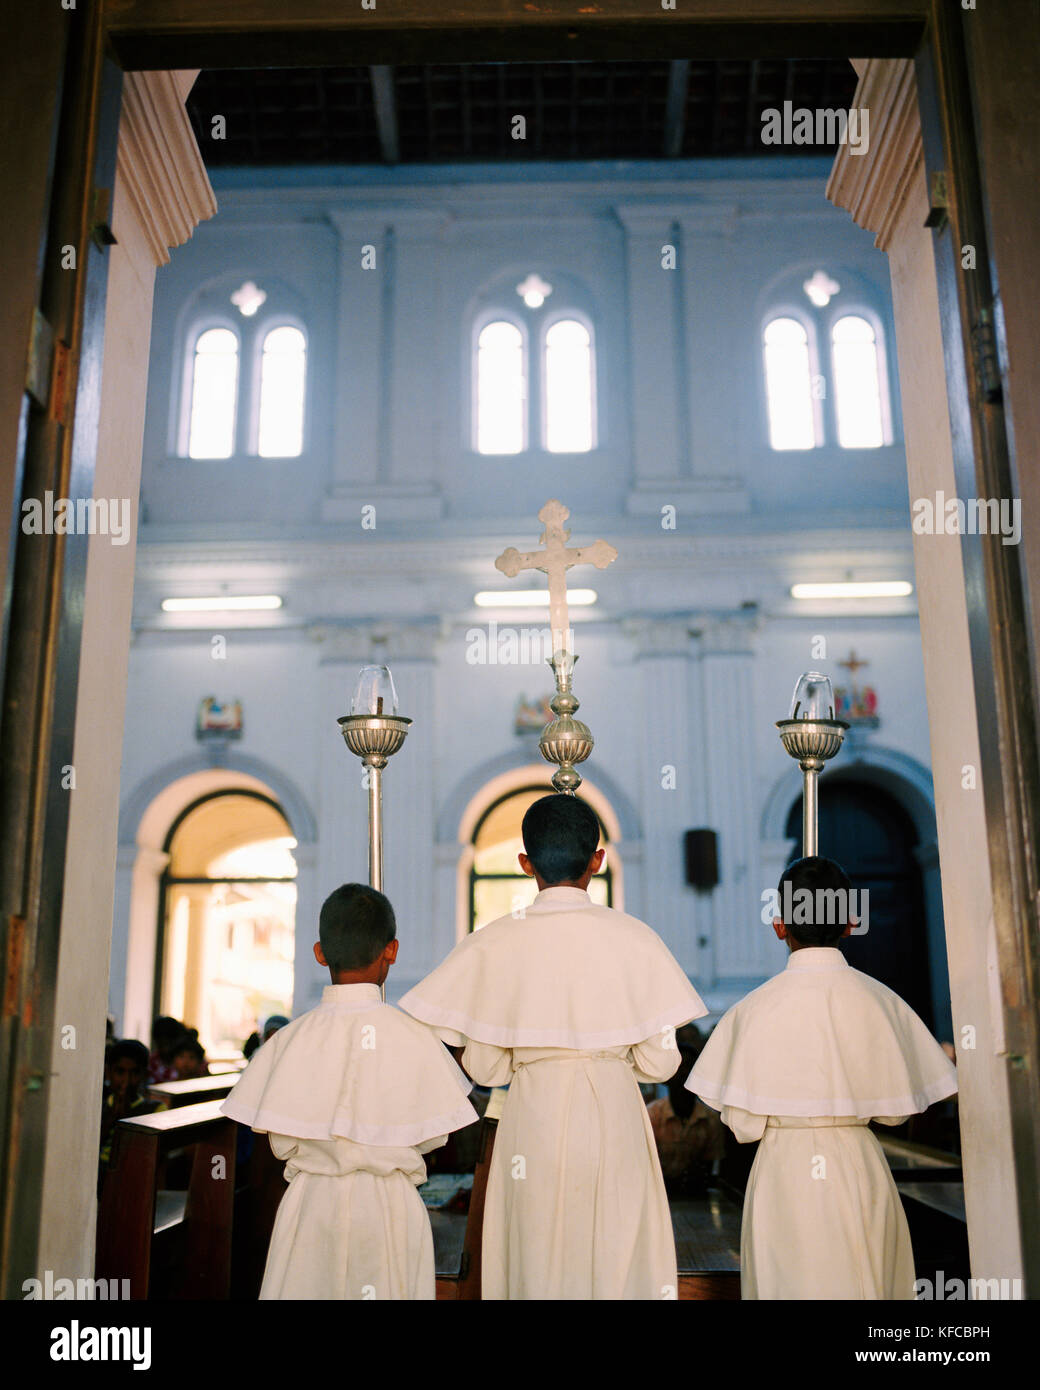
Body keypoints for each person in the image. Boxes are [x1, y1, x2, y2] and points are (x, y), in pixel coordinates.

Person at [399, 793, 707, 1300]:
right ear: (597, 861)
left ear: (525, 864)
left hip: (532, 1115)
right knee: (616, 1253)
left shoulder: (494, 941)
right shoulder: (636, 938)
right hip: (614, 1110)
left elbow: (486, 1065)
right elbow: (660, 1060)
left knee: (535, 1253)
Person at [686, 855, 958, 1300]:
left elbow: (742, 1125)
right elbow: (897, 1115)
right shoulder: (881, 1002)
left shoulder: (753, 1010)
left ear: (779, 926)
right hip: (861, 1166)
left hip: (785, 1171)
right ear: (850, 923)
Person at [221, 883, 478, 1300]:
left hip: (309, 1206)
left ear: (320, 953)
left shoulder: (286, 1042)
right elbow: (435, 1137)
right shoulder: (415, 1039)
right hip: (390, 1208)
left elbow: (274, 1139)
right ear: (391, 950)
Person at [646, 1031, 726, 1196]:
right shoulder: (652, 1115)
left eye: (689, 1068)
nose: (683, 1075)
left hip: (696, 1196)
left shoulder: (710, 1119)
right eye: (678, 1068)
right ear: (666, 1077)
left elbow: (708, 1170)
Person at [99, 1039, 159, 1181]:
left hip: (133, 1177)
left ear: (144, 1075)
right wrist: (112, 1117)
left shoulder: (155, 1110)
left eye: (135, 1073)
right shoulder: (99, 1107)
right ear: (108, 1073)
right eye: (120, 1072)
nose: (126, 1080)